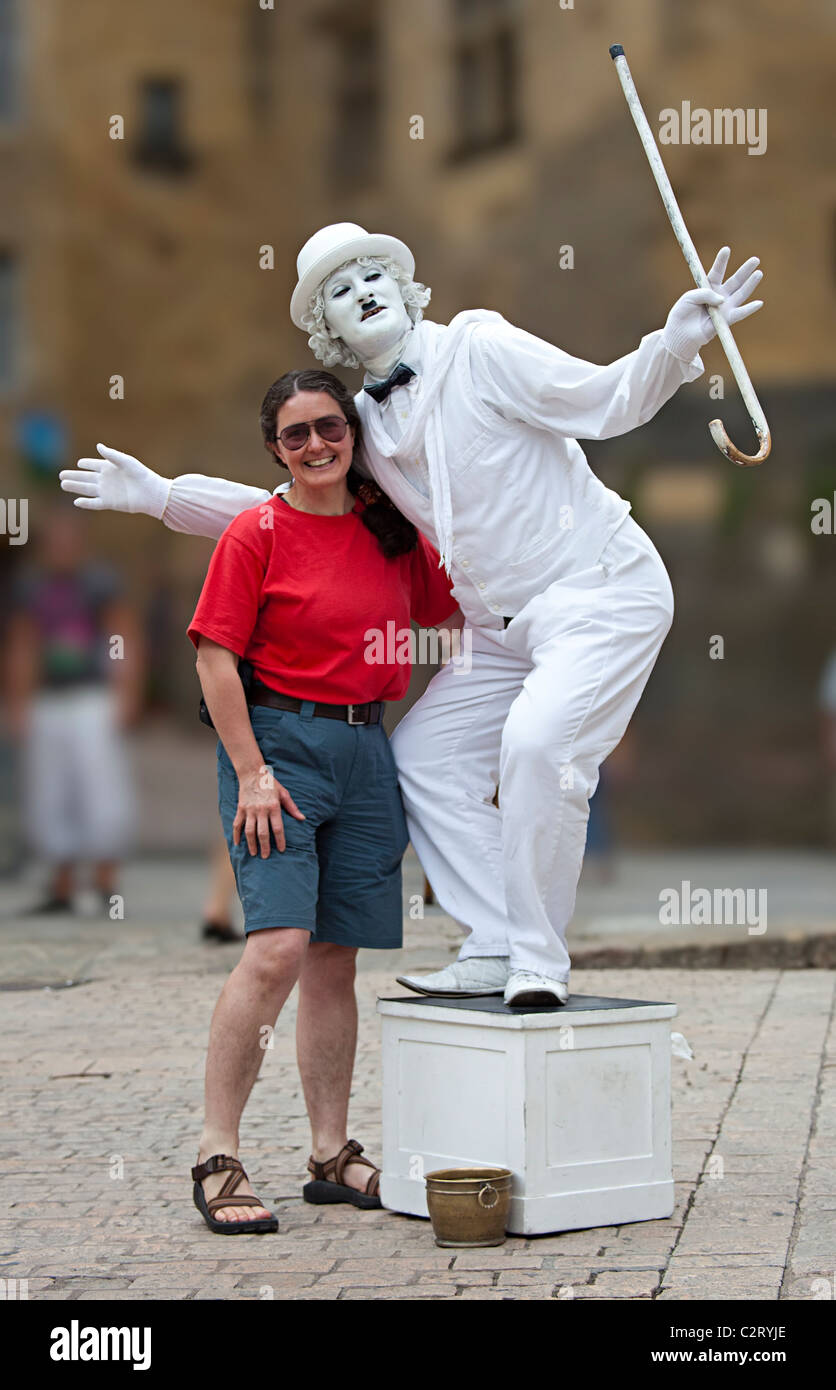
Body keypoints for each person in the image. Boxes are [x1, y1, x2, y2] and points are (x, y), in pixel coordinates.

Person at [59, 222, 765, 1008]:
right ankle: (495, 937)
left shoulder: (480, 346)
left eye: (372, 276)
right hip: (497, 630)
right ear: (328, 325)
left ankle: (538, 959)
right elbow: (283, 510)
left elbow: (601, 401)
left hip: (598, 590)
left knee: (538, 750)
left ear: (404, 290)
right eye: (339, 289)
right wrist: (162, 497)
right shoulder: (362, 429)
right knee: (422, 758)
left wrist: (671, 344)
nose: (361, 292)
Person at [185, 368, 458, 1232]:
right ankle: (216, 1154)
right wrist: (254, 772)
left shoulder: (392, 535)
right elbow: (214, 659)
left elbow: (454, 626)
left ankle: (331, 1154)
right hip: (281, 749)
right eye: (296, 433)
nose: (315, 446)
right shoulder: (254, 533)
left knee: (335, 957)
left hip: (368, 750)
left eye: (329, 427)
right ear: (275, 447)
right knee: (276, 950)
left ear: (354, 434)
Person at [4, 505, 141, 914]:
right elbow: (23, 644)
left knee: (101, 788)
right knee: (49, 791)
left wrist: (126, 690)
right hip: (48, 700)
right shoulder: (31, 586)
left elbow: (122, 635)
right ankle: (61, 884)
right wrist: (18, 701)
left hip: (92, 700)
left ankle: (105, 880)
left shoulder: (99, 583)